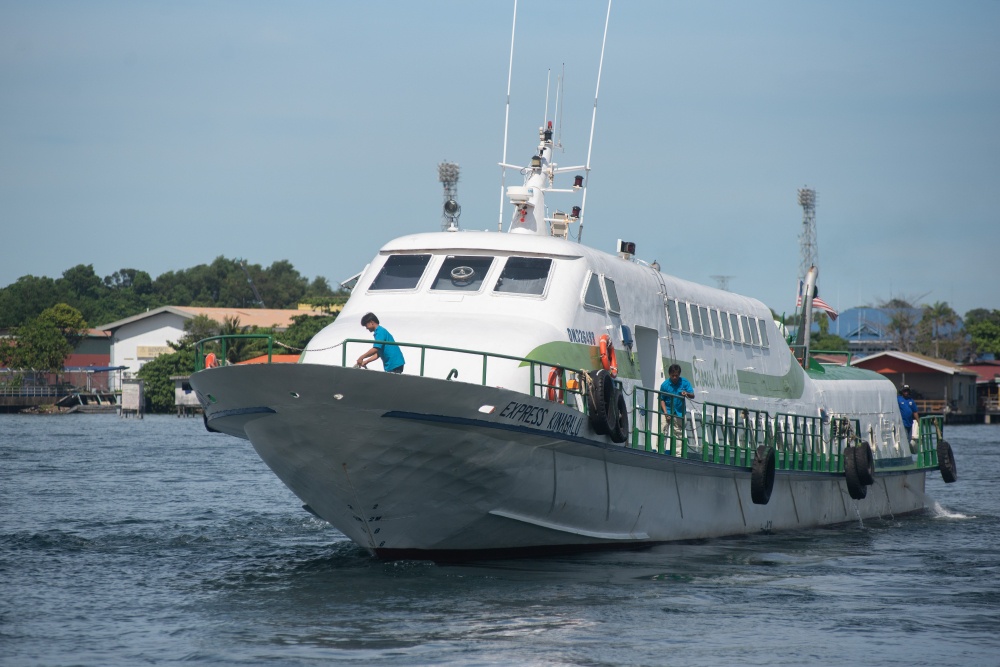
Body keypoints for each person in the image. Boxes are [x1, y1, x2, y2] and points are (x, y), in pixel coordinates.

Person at [659, 363, 694, 446]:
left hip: (679, 412)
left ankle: (677, 454)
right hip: (667, 410)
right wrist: (666, 413)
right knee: (663, 430)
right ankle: (660, 452)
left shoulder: (684, 382)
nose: (674, 377)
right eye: (672, 375)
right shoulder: (665, 385)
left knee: (678, 434)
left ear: (679, 375)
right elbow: (662, 399)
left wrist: (686, 393)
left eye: (676, 375)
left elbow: (692, 395)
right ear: (669, 374)